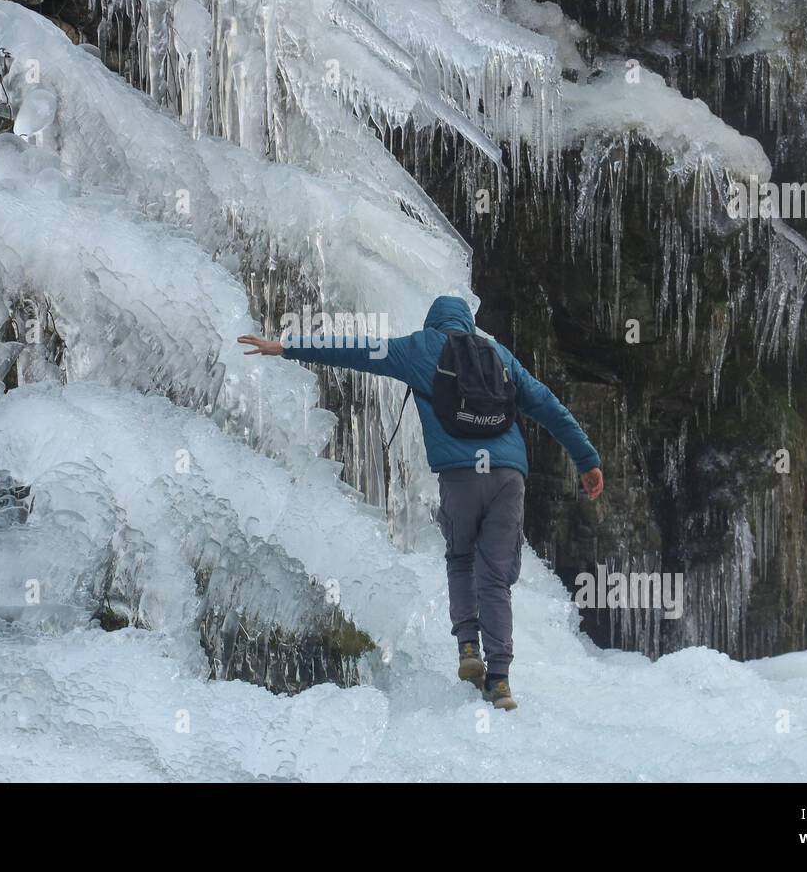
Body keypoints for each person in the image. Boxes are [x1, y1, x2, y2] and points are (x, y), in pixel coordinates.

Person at [238, 296, 603, 710]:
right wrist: (586, 460)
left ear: (433, 323)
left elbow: (356, 350)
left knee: (462, 558)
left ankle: (468, 646)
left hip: (461, 476)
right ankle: (499, 680)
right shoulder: (498, 354)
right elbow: (548, 405)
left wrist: (286, 347)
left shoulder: (420, 348)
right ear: (468, 324)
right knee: (495, 577)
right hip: (508, 476)